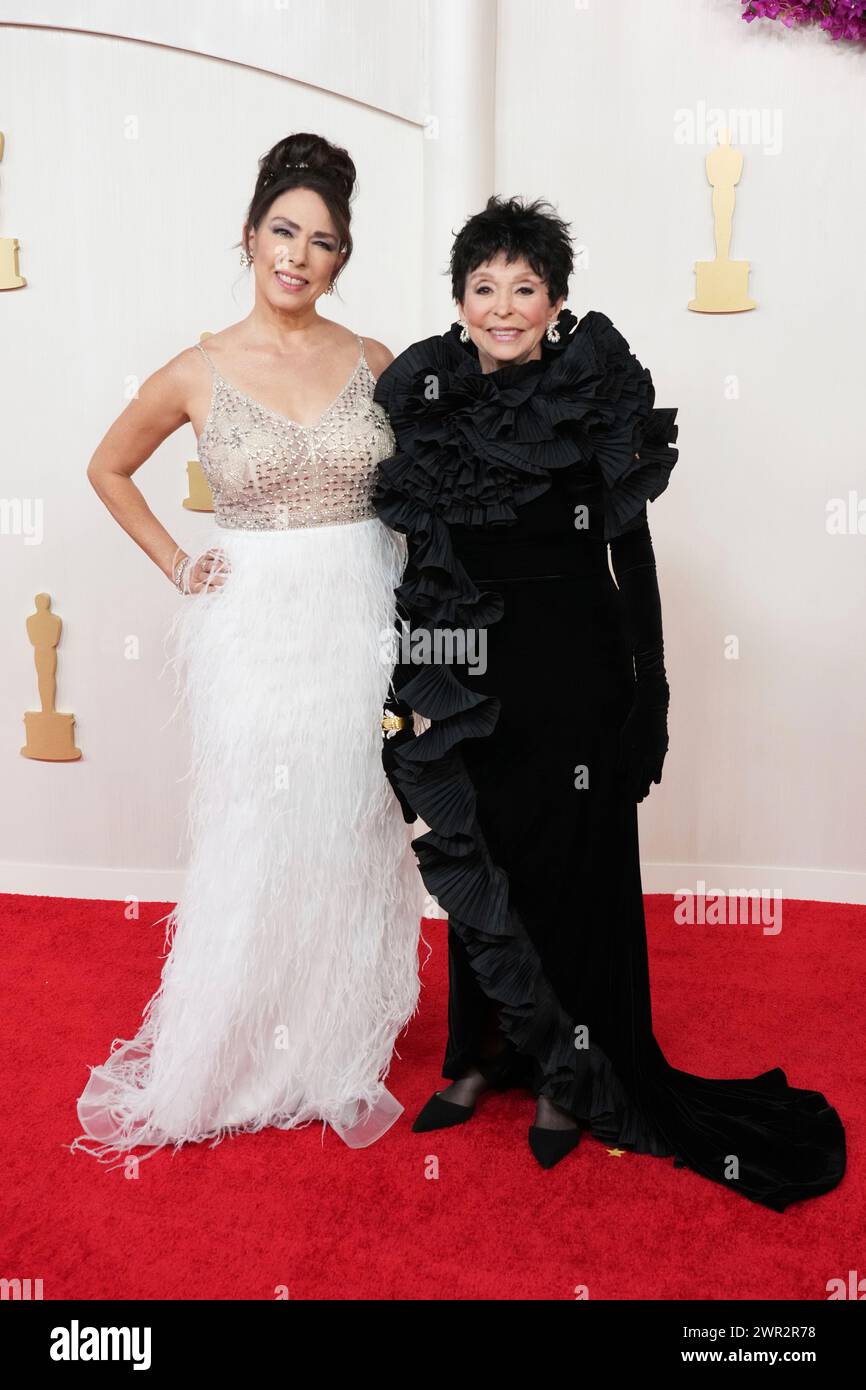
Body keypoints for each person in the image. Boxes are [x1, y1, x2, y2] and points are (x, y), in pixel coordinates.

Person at [371, 194, 846, 1211]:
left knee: (571, 876)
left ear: (554, 300)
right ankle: (479, 1054)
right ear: (458, 297)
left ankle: (565, 1076)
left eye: (525, 288)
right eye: (484, 286)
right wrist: (416, 679)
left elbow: (627, 553)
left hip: (577, 669)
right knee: (482, 862)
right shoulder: (428, 397)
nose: (503, 306)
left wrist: (650, 692)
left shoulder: (594, 394)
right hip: (474, 673)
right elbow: (425, 562)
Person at [69, 132, 424, 1168]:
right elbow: (107, 467)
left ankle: (326, 1047)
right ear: (249, 235)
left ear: (338, 258)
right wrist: (181, 566)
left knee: (350, 826)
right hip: (256, 630)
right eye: (283, 230)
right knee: (258, 827)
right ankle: (227, 1055)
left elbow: (434, 488)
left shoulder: (377, 363)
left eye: (321, 241)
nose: (298, 255)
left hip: (362, 616)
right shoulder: (193, 369)